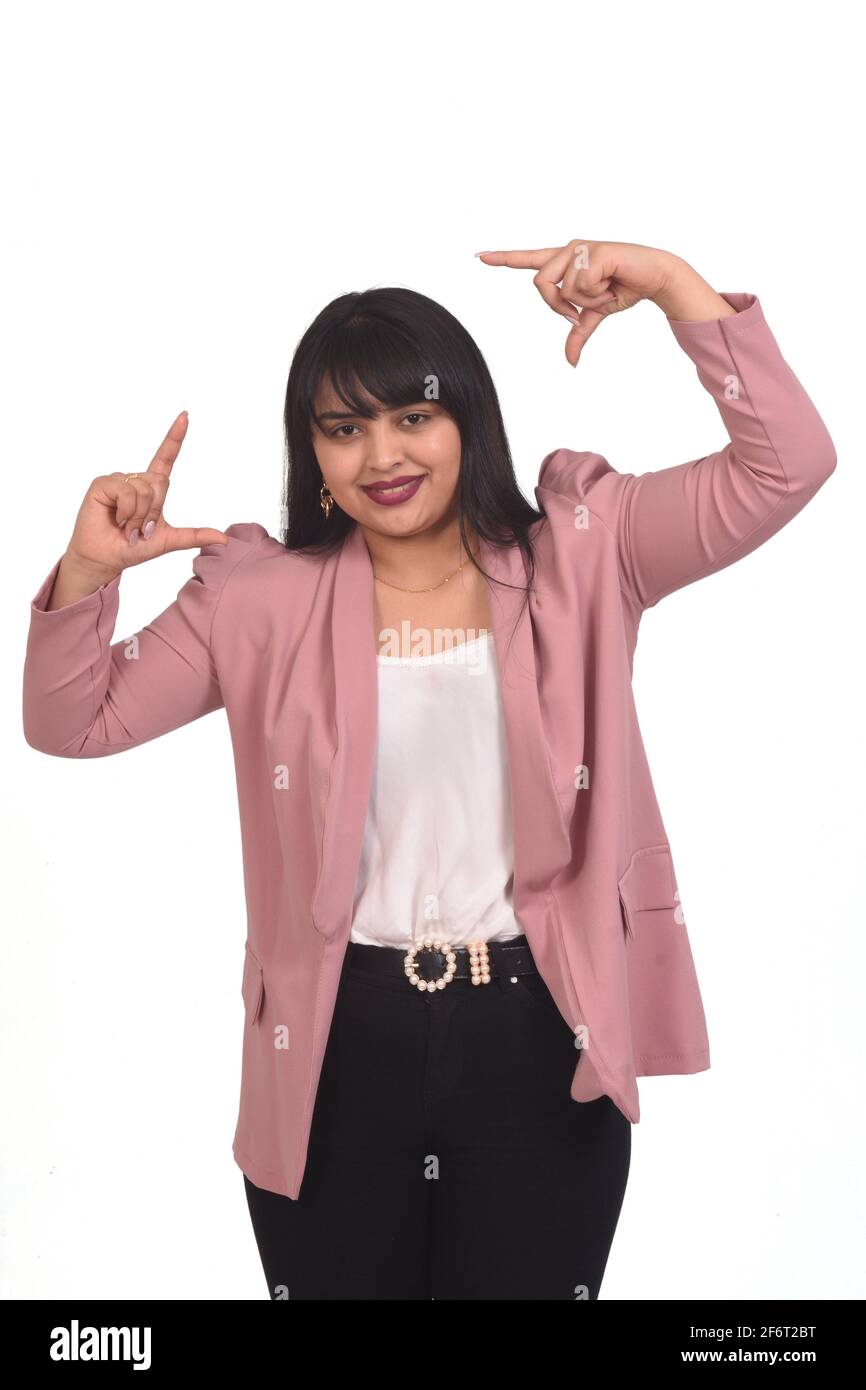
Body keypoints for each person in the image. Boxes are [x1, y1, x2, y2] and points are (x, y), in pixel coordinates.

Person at [22, 239, 837, 1300]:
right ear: (310, 453)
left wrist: (672, 288)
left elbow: (788, 462)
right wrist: (88, 572)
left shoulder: (587, 553)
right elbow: (72, 720)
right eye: (344, 427)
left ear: (467, 419)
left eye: (413, 415)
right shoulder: (256, 600)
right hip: (332, 1043)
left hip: (535, 1032)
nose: (381, 454)